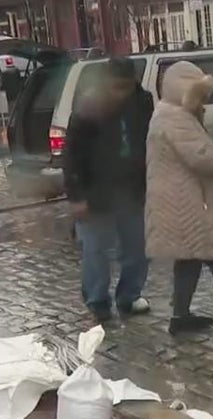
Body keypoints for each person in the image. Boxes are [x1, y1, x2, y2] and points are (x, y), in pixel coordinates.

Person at [144, 61, 213, 335]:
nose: (205, 101)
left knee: (189, 257)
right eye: (202, 95)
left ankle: (180, 316)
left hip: (181, 199)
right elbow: (200, 158)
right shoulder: (176, 118)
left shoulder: (169, 114)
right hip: (188, 202)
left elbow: (194, 150)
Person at [64, 57, 155, 323]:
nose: (122, 94)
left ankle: (129, 295)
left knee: (137, 247)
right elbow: (71, 155)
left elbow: (149, 139)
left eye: (126, 87)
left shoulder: (142, 101)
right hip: (95, 191)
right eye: (116, 87)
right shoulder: (87, 107)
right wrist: (77, 196)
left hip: (132, 189)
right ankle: (98, 300)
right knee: (96, 249)